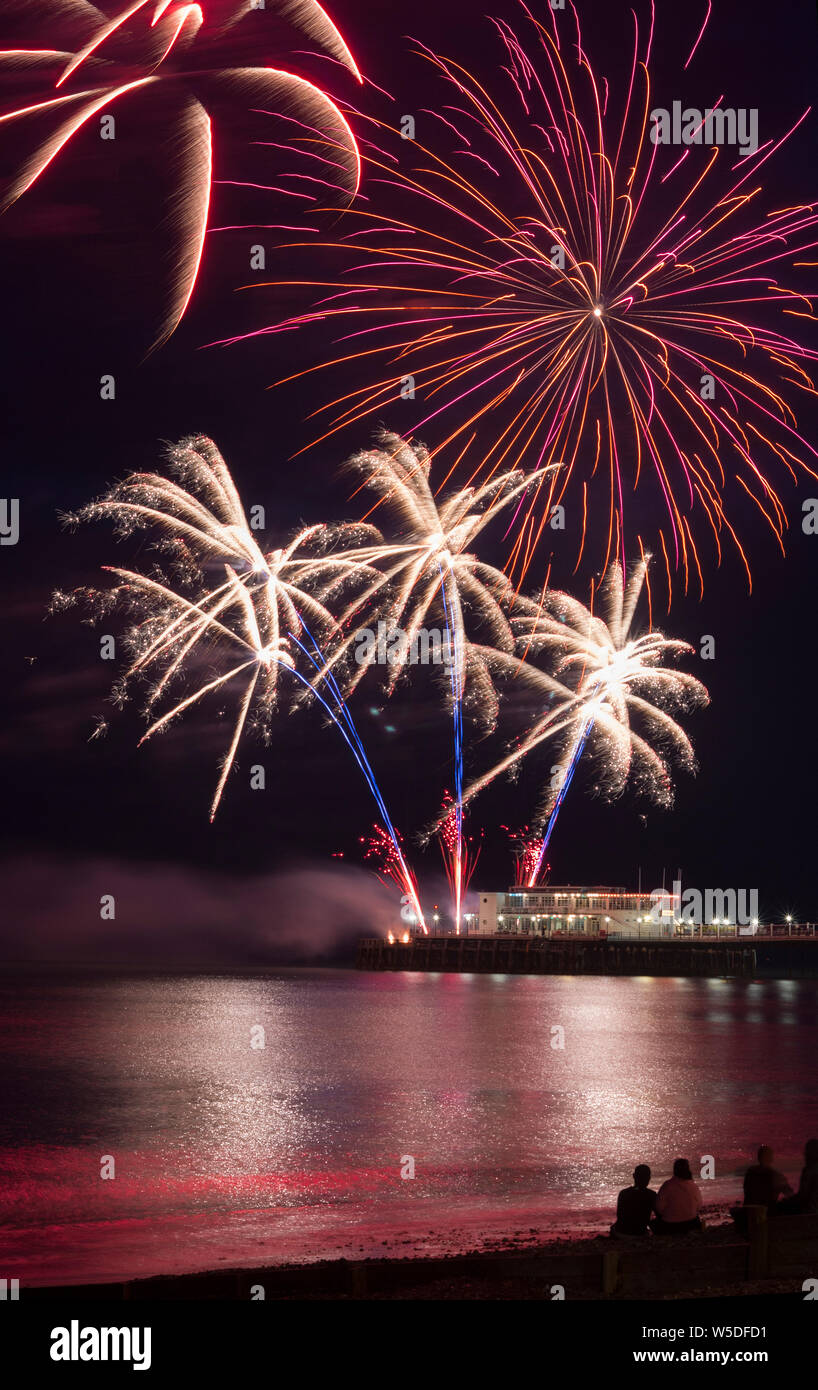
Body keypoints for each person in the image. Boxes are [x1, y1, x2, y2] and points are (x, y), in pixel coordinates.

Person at [654, 1158, 703, 1235]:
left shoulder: (667, 1185)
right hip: (691, 1223)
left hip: (671, 1225)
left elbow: (659, 1207)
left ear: (675, 1170)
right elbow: (699, 1206)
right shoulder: (693, 1185)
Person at [611, 1164, 657, 1236]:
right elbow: (658, 1214)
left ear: (634, 1176)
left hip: (622, 1231)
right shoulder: (652, 1195)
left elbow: (620, 1216)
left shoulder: (623, 1193)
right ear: (649, 1178)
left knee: (613, 1227)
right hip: (640, 1232)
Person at [743, 1146, 793, 1210]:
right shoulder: (776, 1175)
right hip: (767, 1211)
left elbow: (747, 1192)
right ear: (771, 1158)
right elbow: (789, 1194)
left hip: (749, 1211)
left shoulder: (750, 1172)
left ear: (758, 1157)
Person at [778, 1139, 818, 1215]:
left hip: (808, 1212)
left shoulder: (809, 1170)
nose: (804, 1154)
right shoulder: (811, 1170)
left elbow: (803, 1197)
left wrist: (786, 1202)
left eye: (806, 1151)